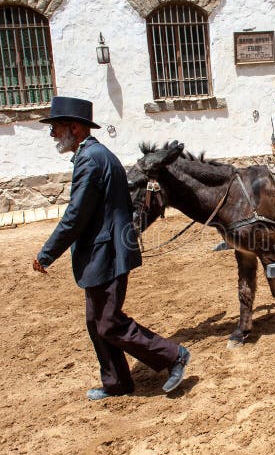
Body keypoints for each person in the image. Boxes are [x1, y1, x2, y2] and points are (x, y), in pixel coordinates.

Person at [32, 96, 190, 401]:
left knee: (108, 323)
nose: (52, 134)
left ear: (74, 128)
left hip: (107, 252)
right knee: (96, 322)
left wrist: (47, 252)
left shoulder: (91, 159)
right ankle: (117, 382)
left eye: (56, 127)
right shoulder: (92, 154)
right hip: (103, 250)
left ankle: (173, 356)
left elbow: (76, 215)